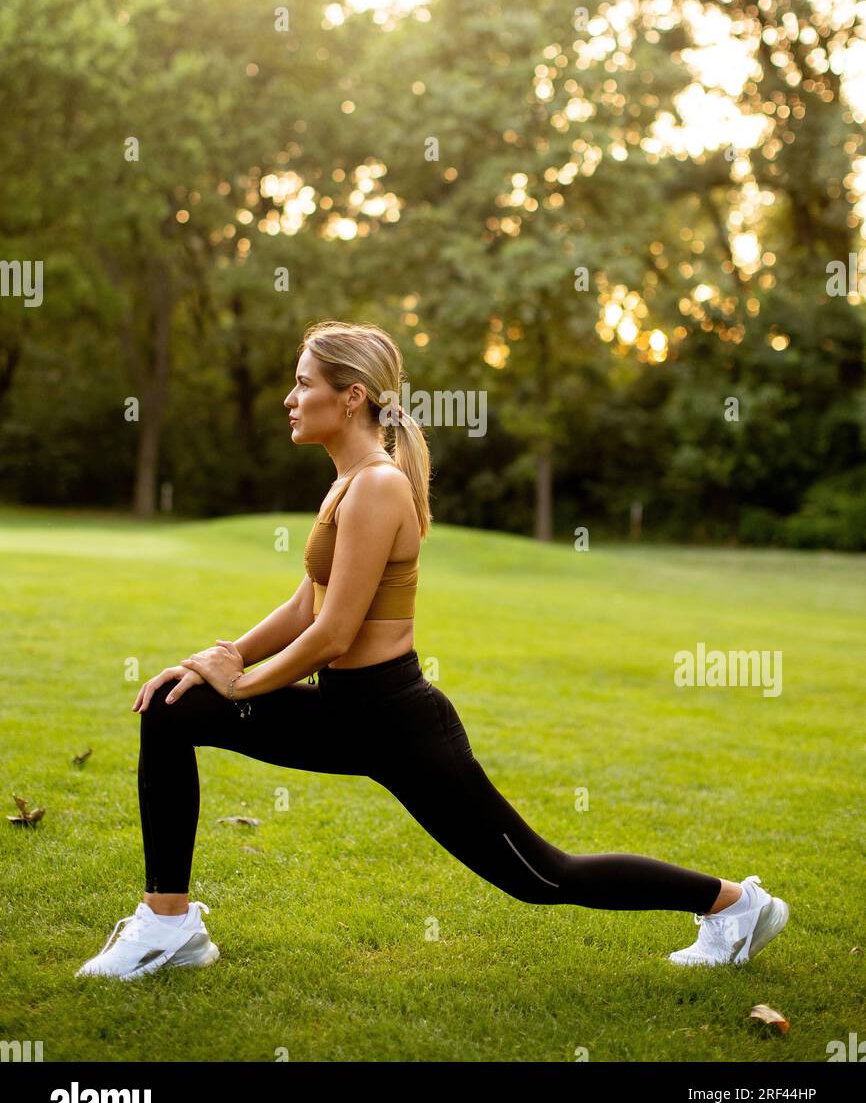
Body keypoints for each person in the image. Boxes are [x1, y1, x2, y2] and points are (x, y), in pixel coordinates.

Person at [76, 319, 789, 980]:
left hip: (397, 723)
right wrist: (218, 658)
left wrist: (240, 685)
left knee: (544, 877)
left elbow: (335, 634)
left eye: (303, 384)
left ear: (350, 397)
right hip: (343, 712)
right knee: (174, 709)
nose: (289, 398)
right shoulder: (346, 482)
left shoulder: (378, 487)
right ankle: (168, 926)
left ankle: (734, 904)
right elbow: (306, 604)